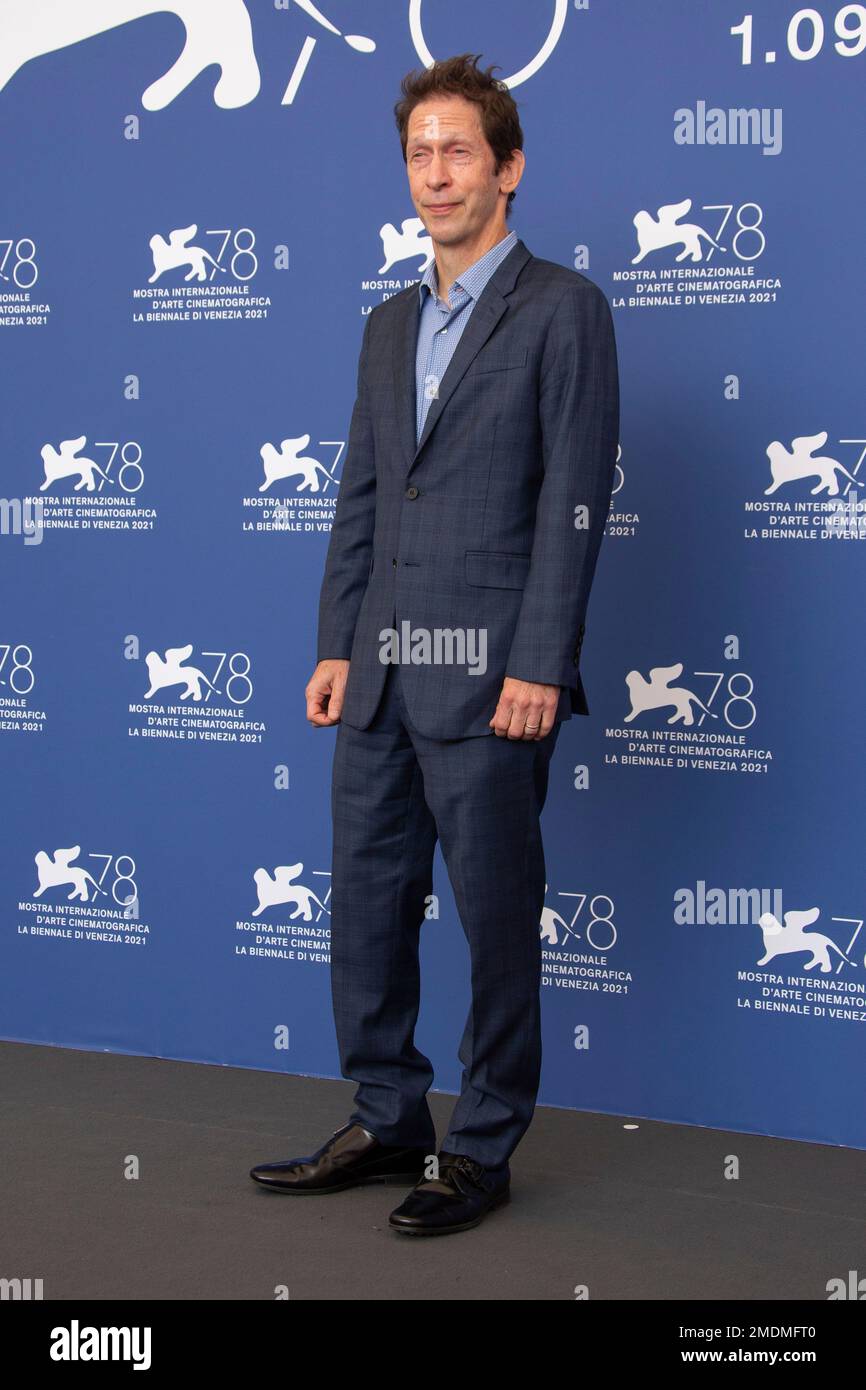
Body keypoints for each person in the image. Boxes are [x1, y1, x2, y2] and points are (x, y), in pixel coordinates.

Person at [250, 53, 619, 1237]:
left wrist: (539, 662)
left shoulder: (564, 310)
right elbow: (362, 497)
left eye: (459, 150)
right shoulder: (383, 323)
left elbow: (574, 500)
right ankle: (386, 1116)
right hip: (380, 672)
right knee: (363, 905)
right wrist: (335, 644)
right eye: (419, 153)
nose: (435, 172)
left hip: (491, 679)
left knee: (498, 917)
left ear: (507, 171)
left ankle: (479, 1146)